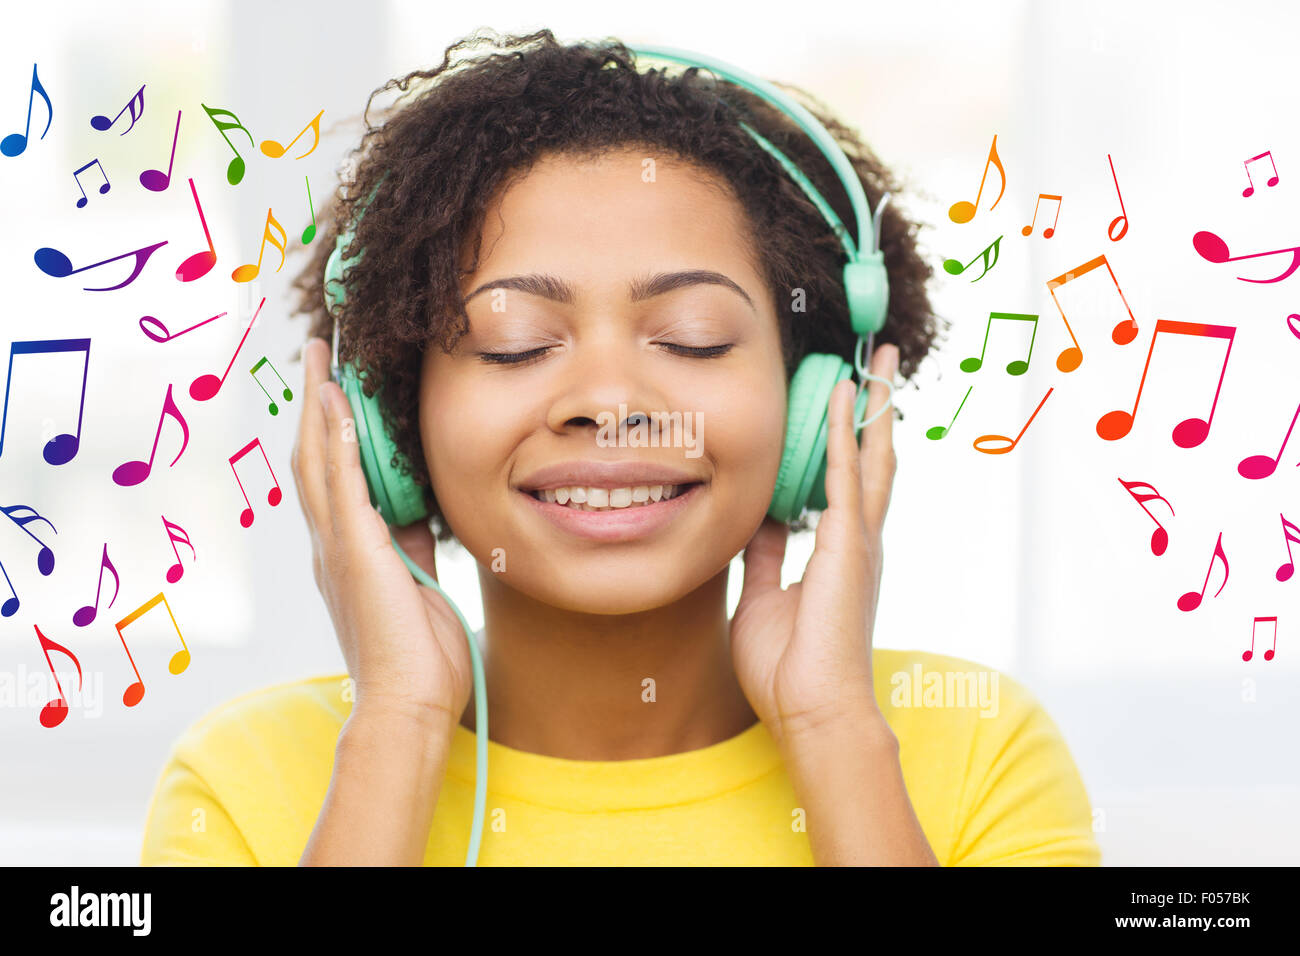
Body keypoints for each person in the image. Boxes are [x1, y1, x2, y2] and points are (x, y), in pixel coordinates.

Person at [141, 28, 1100, 866]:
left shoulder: (976, 751)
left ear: (823, 406)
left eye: (692, 338)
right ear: (388, 420)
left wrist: (834, 730)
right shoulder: (247, 780)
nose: (609, 403)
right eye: (514, 343)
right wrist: (397, 726)